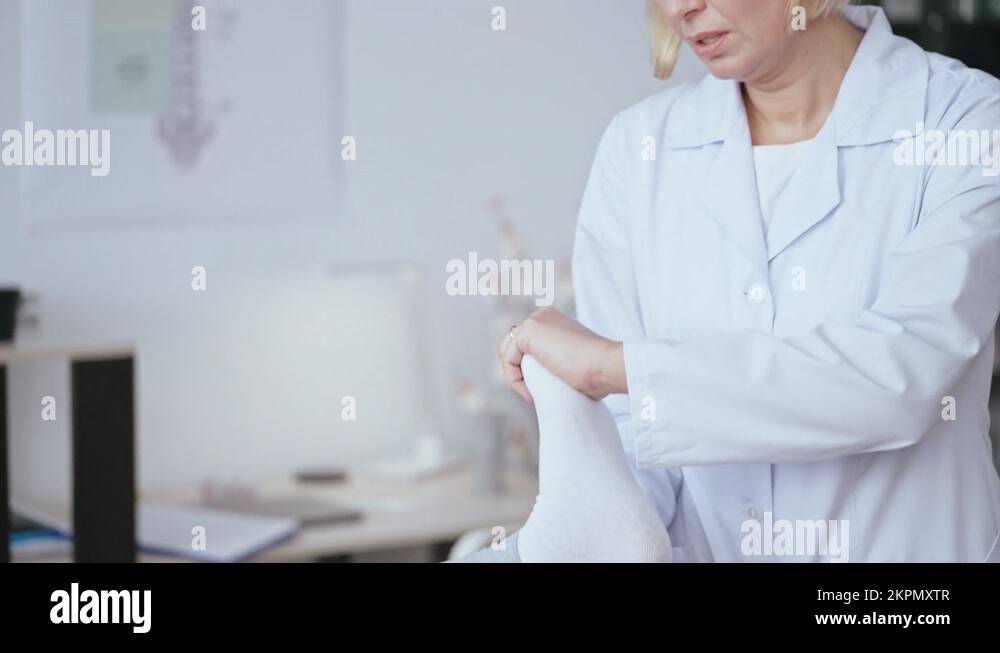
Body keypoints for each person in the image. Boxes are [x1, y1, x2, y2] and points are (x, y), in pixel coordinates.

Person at [491, 1, 1000, 562]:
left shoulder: (963, 120)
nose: (681, 9)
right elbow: (631, 441)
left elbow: (899, 378)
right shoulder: (639, 150)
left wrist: (614, 366)